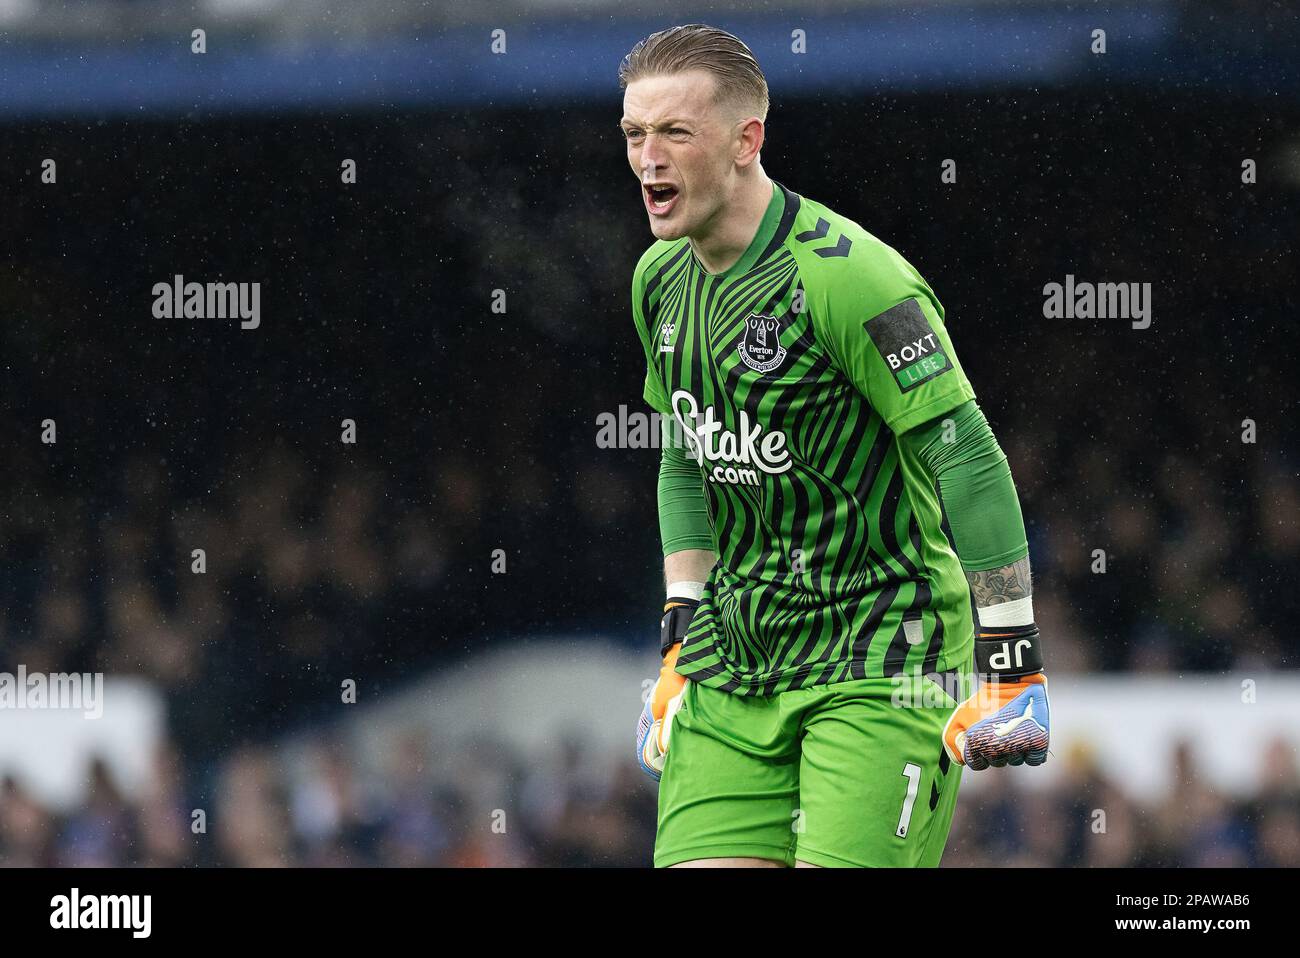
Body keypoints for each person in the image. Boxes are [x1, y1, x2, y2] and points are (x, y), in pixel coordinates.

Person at [623, 24, 1050, 868]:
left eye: (676, 132)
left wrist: (1013, 661)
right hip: (737, 658)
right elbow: (684, 454)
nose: (648, 159)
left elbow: (968, 458)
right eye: (635, 134)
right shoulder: (658, 280)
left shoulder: (856, 278)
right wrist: (681, 630)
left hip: (880, 656)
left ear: (747, 141)